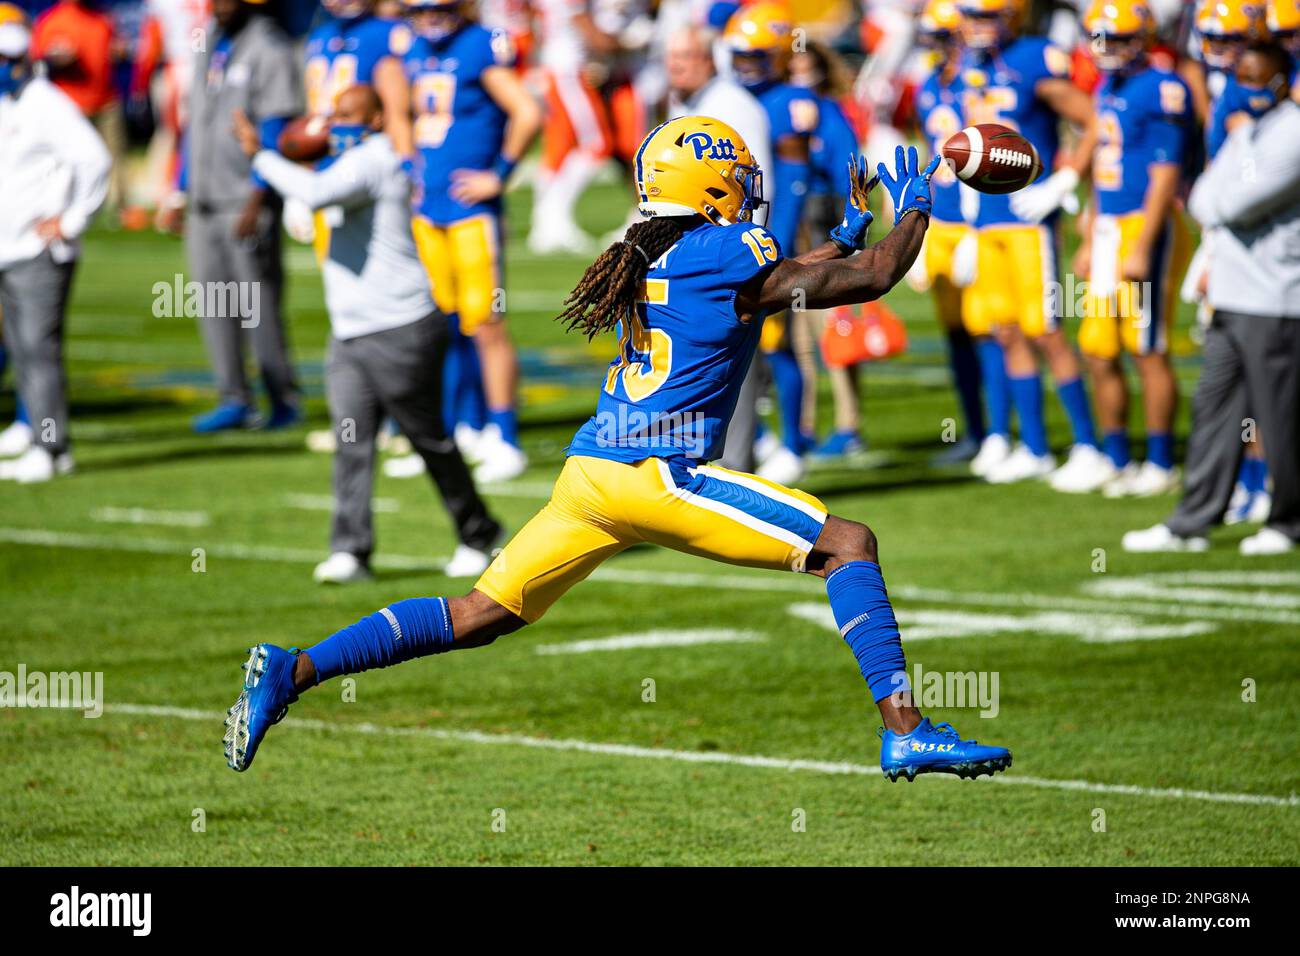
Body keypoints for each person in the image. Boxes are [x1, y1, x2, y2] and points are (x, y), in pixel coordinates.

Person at [223, 116, 1013, 785]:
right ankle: (906, 727)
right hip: (657, 475)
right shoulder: (722, 250)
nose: (748, 188)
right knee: (847, 544)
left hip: (591, 476)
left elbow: (776, 284)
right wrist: (916, 210)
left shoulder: (654, 244)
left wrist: (839, 237)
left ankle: (293, 670)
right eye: (736, 176)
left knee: (481, 613)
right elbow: (873, 279)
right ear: (712, 187)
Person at [233, 84, 504, 582]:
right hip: (352, 330)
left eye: (351, 115)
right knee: (350, 439)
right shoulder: (343, 164)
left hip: (400, 325)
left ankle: (478, 532)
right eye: (335, 115)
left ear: (378, 120)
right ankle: (352, 549)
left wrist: (260, 155)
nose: (340, 124)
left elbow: (312, 195)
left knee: (428, 440)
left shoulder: (375, 158)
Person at [1123, 41, 1300, 556]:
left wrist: (1220, 198)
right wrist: (1219, 197)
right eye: (1240, 75)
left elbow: (1238, 203)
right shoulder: (1248, 133)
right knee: (1215, 407)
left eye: (1255, 75)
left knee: (1277, 414)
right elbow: (1201, 199)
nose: (1244, 85)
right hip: (1233, 291)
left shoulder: (1291, 132)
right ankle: (1193, 518)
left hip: (1277, 295)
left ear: (1281, 79)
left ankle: (1287, 520)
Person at [957, 0, 1108, 491]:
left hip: (1029, 216)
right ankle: (1037, 447)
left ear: (1011, 16)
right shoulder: (970, 65)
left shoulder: (1033, 57)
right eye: (972, 15)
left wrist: (1063, 180)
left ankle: (1088, 444)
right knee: (1007, 331)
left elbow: (1094, 119)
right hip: (989, 220)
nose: (980, 26)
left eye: (988, 15)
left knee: (1046, 331)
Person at [398, 0, 542, 484]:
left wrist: (498, 175)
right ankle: (463, 427)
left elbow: (526, 112)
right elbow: (401, 114)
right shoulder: (412, 48)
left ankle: (505, 437)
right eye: (420, 9)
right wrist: (407, 168)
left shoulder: (479, 46)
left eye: (437, 7)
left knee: (486, 324)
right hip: (429, 208)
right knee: (446, 323)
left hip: (469, 211)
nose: (430, 17)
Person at [1074, 0, 1192, 497]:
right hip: (1108, 230)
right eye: (1100, 39)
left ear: (1142, 39)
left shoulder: (1163, 86)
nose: (1107, 50)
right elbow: (1106, 163)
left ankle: (1162, 461)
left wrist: (1142, 243)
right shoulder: (1108, 86)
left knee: (1147, 348)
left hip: (1147, 225)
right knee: (1099, 349)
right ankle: (1118, 456)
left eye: (1118, 39)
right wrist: (1091, 228)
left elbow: (1166, 173)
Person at [178, 0, 302, 433]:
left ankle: (282, 396)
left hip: (243, 199)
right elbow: (195, 121)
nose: (223, 6)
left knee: (256, 305)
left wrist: (258, 194)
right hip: (204, 199)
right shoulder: (208, 40)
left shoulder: (271, 47)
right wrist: (182, 187)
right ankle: (234, 396)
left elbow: (278, 126)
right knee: (213, 303)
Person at [0, 12, 110, 482]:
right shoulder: (10, 105)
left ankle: (52, 444)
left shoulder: (46, 104)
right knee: (23, 349)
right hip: (10, 246)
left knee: (40, 350)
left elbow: (96, 159)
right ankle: (35, 434)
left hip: (39, 251)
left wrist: (70, 219)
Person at [663, 21, 772, 474]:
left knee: (736, 362)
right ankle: (702, 461)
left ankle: (741, 463)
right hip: (695, 255)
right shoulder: (689, 101)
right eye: (670, 60)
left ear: (708, 60)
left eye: (683, 59)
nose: (674, 69)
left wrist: (750, 259)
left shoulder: (731, 107)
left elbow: (755, 183)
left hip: (725, 256)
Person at [723, 1, 819, 485]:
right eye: (741, 53)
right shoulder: (735, 98)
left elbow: (798, 178)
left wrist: (774, 243)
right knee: (741, 344)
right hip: (743, 234)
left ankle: (794, 442)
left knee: (777, 343)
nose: (746, 62)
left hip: (774, 234)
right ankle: (757, 435)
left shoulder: (789, 102)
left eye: (757, 54)